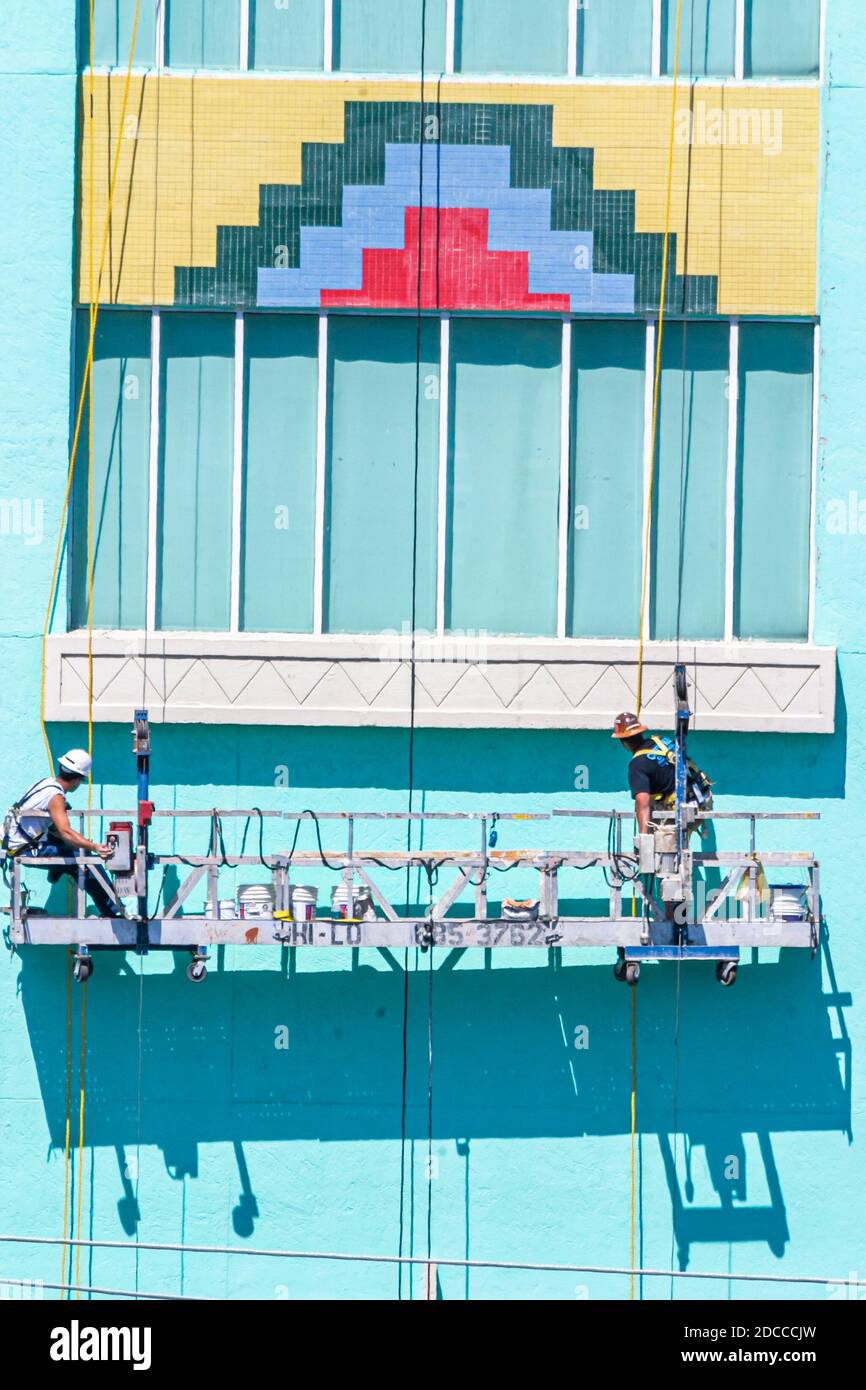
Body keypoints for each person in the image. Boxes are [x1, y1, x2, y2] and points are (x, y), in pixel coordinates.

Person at [2, 749, 122, 917]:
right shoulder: (55, 797)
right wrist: (94, 846)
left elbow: (54, 829)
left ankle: (58, 870)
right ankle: (113, 911)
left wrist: (81, 841)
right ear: (78, 779)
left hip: (14, 843)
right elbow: (65, 831)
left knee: (75, 847)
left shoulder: (44, 783)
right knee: (85, 859)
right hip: (24, 849)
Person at [611, 712, 712, 834]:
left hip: (685, 806)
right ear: (640, 732)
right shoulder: (661, 740)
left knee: (665, 848)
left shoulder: (637, 765)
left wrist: (643, 841)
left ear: (623, 742)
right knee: (653, 801)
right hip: (702, 795)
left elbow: (643, 805)